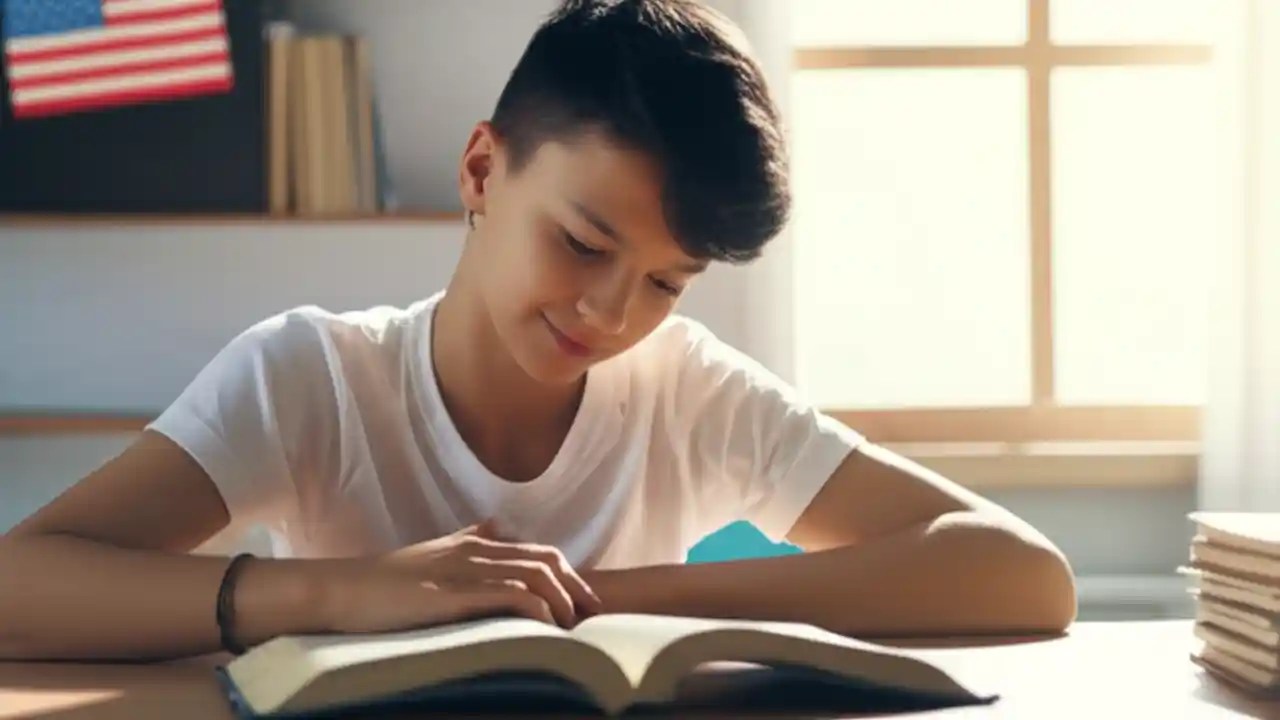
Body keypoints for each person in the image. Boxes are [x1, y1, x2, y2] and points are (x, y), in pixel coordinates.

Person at [0, 0, 1075, 662]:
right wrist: (339, 593)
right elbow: (21, 585)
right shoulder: (312, 376)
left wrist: (603, 604)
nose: (611, 315)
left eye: (665, 282)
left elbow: (1019, 574)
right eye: (580, 242)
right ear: (481, 170)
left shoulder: (683, 387)